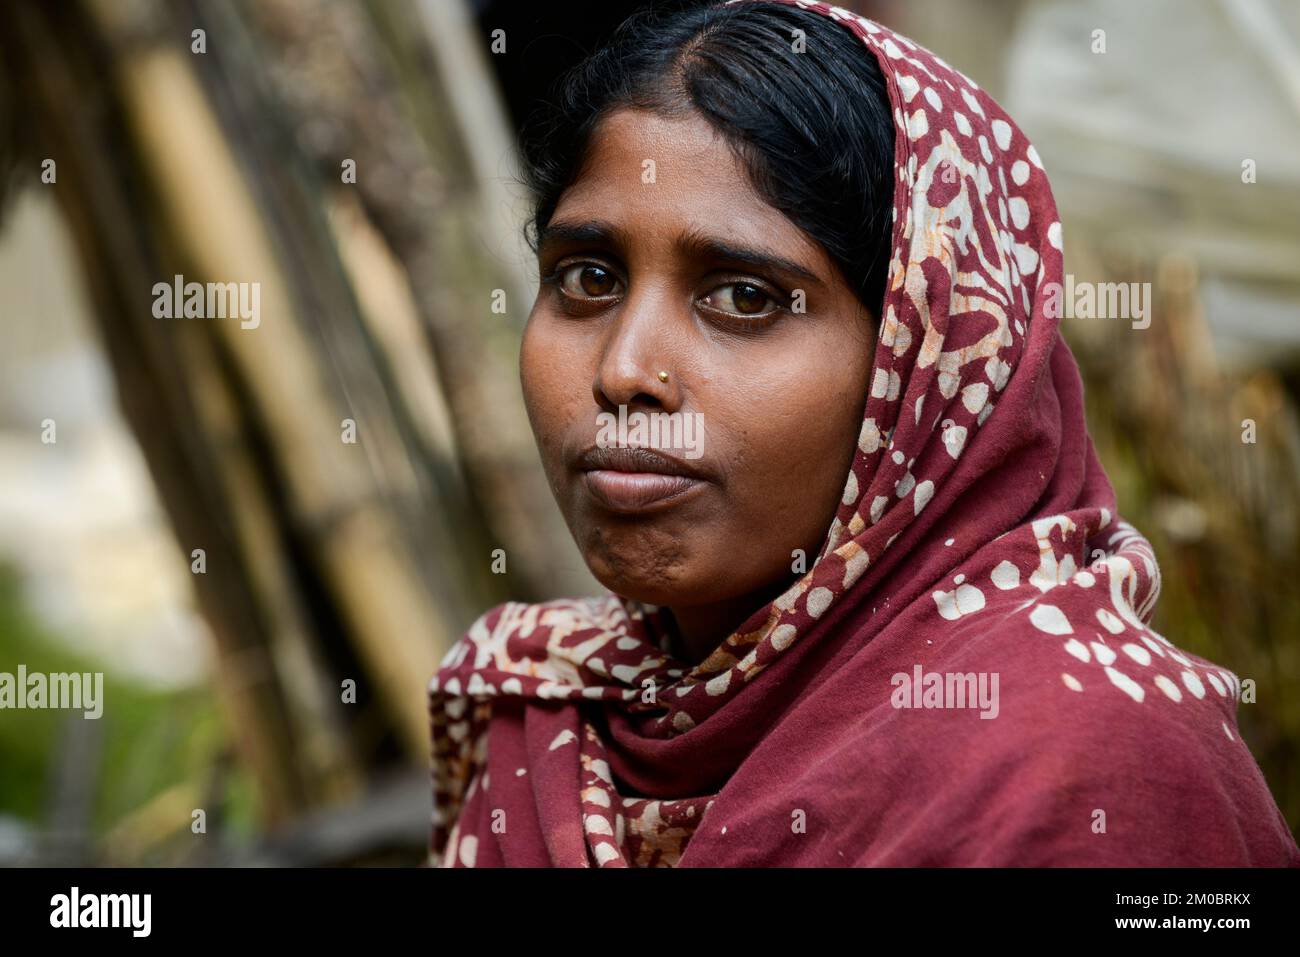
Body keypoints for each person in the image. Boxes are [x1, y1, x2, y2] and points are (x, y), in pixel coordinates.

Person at [427, 0, 1300, 866]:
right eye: (586, 276)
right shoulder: (543, 708)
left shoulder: (1084, 766)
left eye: (743, 297)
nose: (622, 370)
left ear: (924, 362)